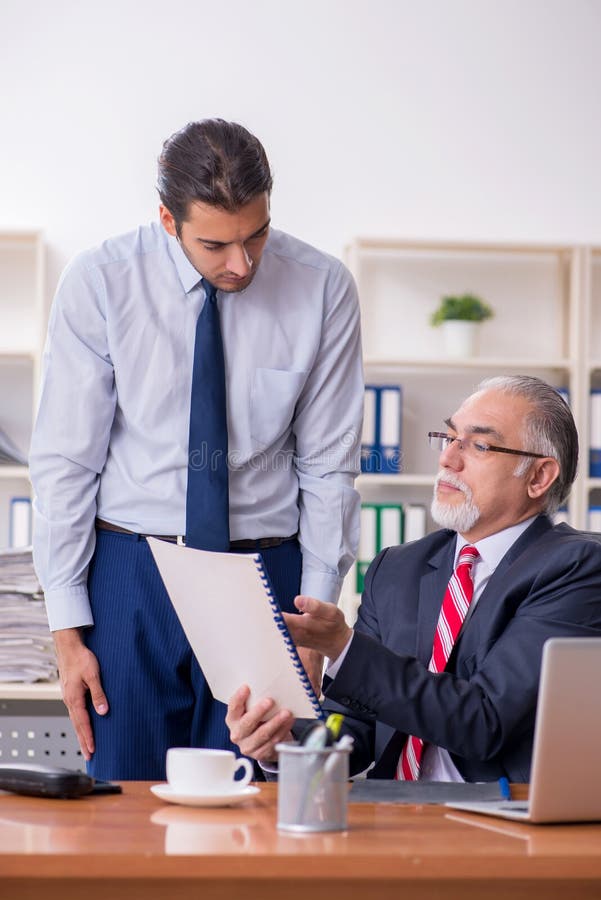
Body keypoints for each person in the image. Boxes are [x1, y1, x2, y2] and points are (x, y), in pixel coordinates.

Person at [30, 119, 363, 780]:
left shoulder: (322, 287)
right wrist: (67, 631)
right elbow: (67, 463)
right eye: (215, 244)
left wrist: (316, 619)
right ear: (166, 218)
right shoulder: (101, 282)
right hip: (130, 571)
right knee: (121, 808)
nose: (241, 264)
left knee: (252, 807)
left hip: (267, 576)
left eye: (257, 235)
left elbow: (328, 467)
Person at [227, 375, 601, 782]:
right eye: (449, 437)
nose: (447, 459)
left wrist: (342, 646)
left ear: (538, 477)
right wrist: (283, 744)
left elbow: (485, 722)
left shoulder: (576, 567)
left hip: (497, 825)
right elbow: (353, 728)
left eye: (478, 445)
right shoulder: (398, 568)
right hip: (393, 815)